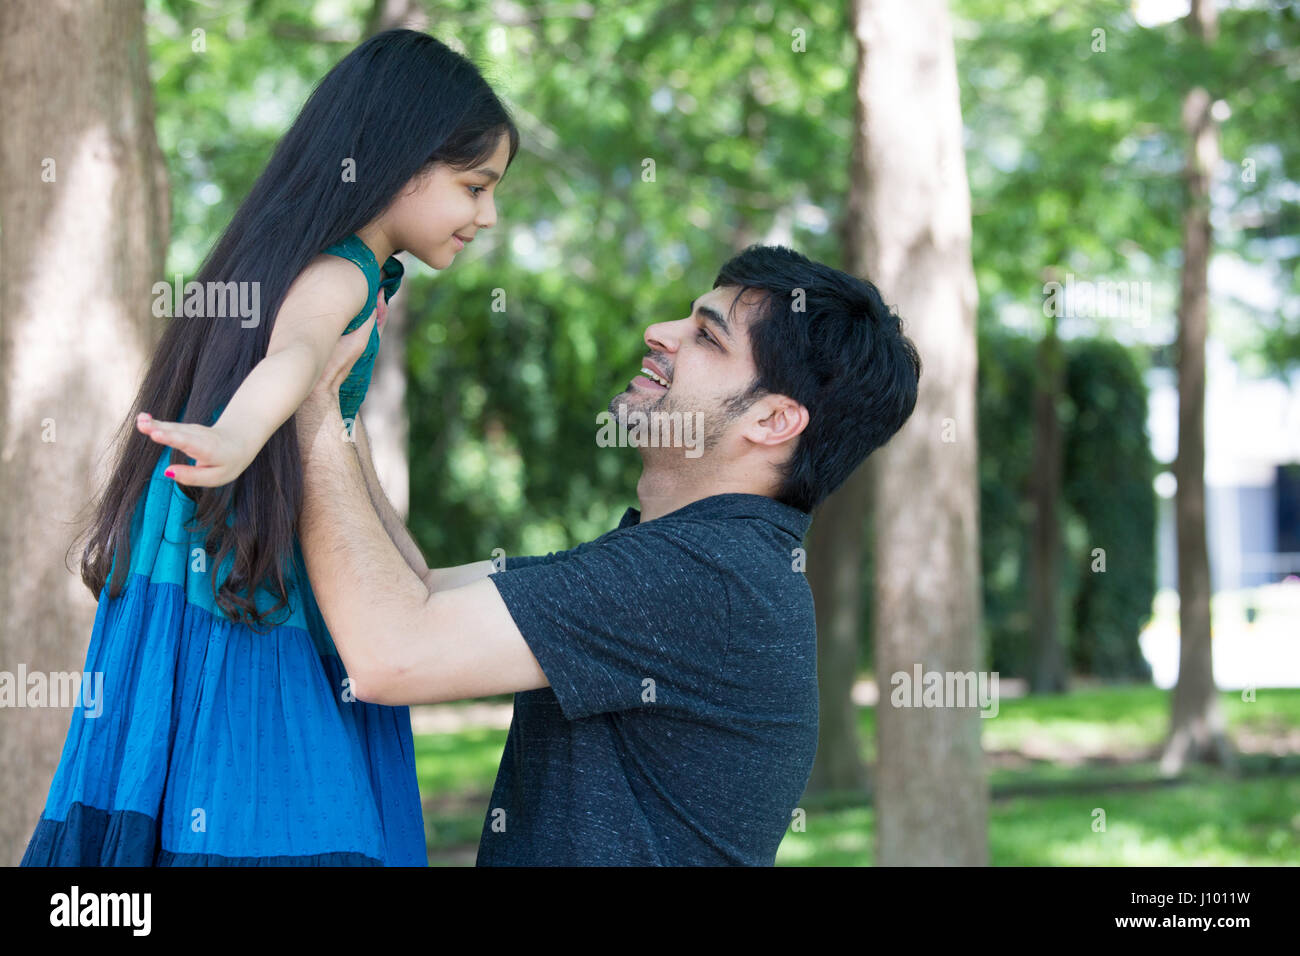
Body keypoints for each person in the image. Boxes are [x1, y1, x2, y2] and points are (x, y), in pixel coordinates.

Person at [22, 29, 517, 866]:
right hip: (251, 551)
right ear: (400, 160)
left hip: (231, 538)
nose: (487, 215)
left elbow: (336, 421)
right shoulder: (344, 274)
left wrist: (406, 563)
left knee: (188, 768)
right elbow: (295, 358)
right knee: (279, 788)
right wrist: (237, 437)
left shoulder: (337, 266)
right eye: (475, 186)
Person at [279, 243, 922, 865]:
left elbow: (391, 654)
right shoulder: (699, 560)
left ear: (773, 420)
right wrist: (341, 397)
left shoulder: (705, 577)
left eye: (707, 337)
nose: (658, 332)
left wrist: (304, 392)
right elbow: (415, 586)